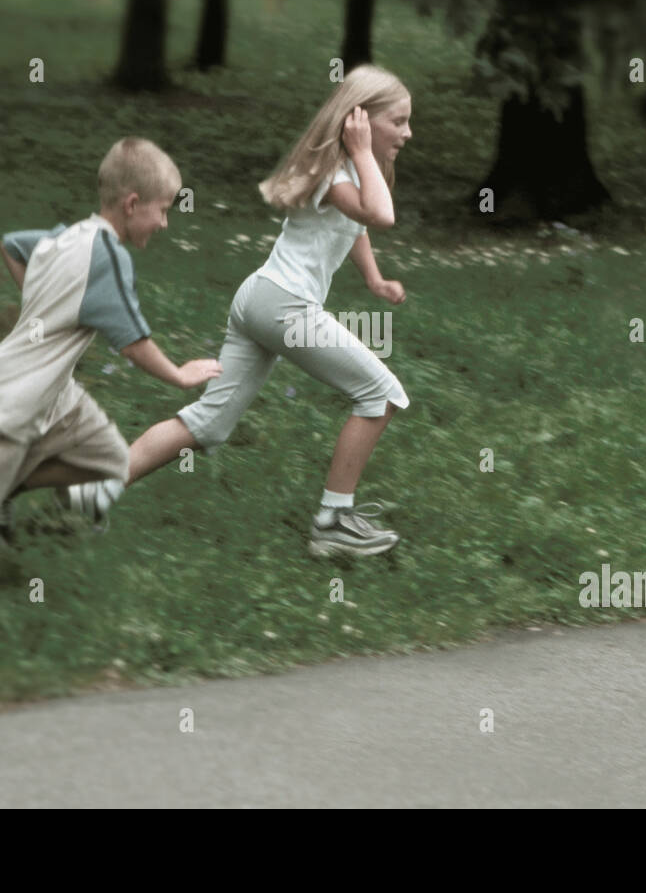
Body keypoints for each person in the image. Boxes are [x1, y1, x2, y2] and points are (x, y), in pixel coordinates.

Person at [66, 65, 412, 557]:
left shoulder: (347, 173)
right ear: (360, 118)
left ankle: (91, 492)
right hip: (285, 307)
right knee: (381, 394)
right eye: (398, 121)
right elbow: (381, 214)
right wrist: (359, 148)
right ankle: (333, 522)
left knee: (208, 422)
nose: (407, 133)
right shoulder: (339, 170)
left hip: (261, 298)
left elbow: (356, 226)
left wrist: (374, 279)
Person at [0, 138, 221, 587]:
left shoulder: (68, 235)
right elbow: (134, 343)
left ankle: (6, 489)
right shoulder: (109, 258)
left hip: (55, 394)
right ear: (133, 204)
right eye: (163, 209)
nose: (165, 222)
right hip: (15, 398)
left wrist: (42, 309)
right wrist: (179, 374)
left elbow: (11, 246)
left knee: (113, 461)